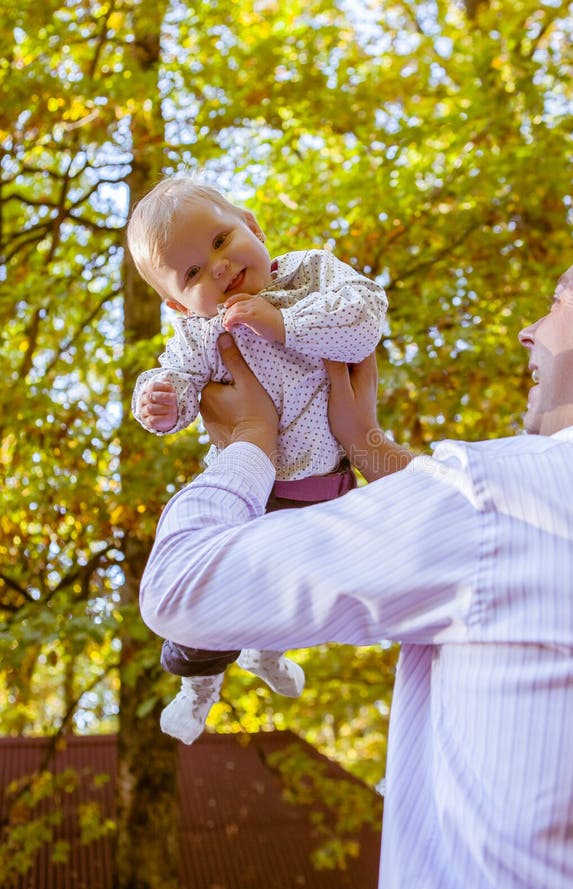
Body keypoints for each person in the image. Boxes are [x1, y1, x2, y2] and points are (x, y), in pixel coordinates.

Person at [140, 218, 573, 889]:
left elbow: (180, 590)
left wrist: (250, 442)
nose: (529, 331)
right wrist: (367, 444)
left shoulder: (506, 500)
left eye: (559, 300)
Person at [127, 174, 387, 744]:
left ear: (252, 225)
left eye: (220, 241)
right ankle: (196, 691)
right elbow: (182, 382)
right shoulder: (201, 332)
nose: (217, 267)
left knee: (291, 590)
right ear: (177, 302)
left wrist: (284, 323)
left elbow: (366, 322)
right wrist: (161, 400)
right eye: (192, 272)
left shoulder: (311, 275)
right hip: (254, 495)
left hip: (329, 489)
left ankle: (266, 657)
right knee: (215, 609)